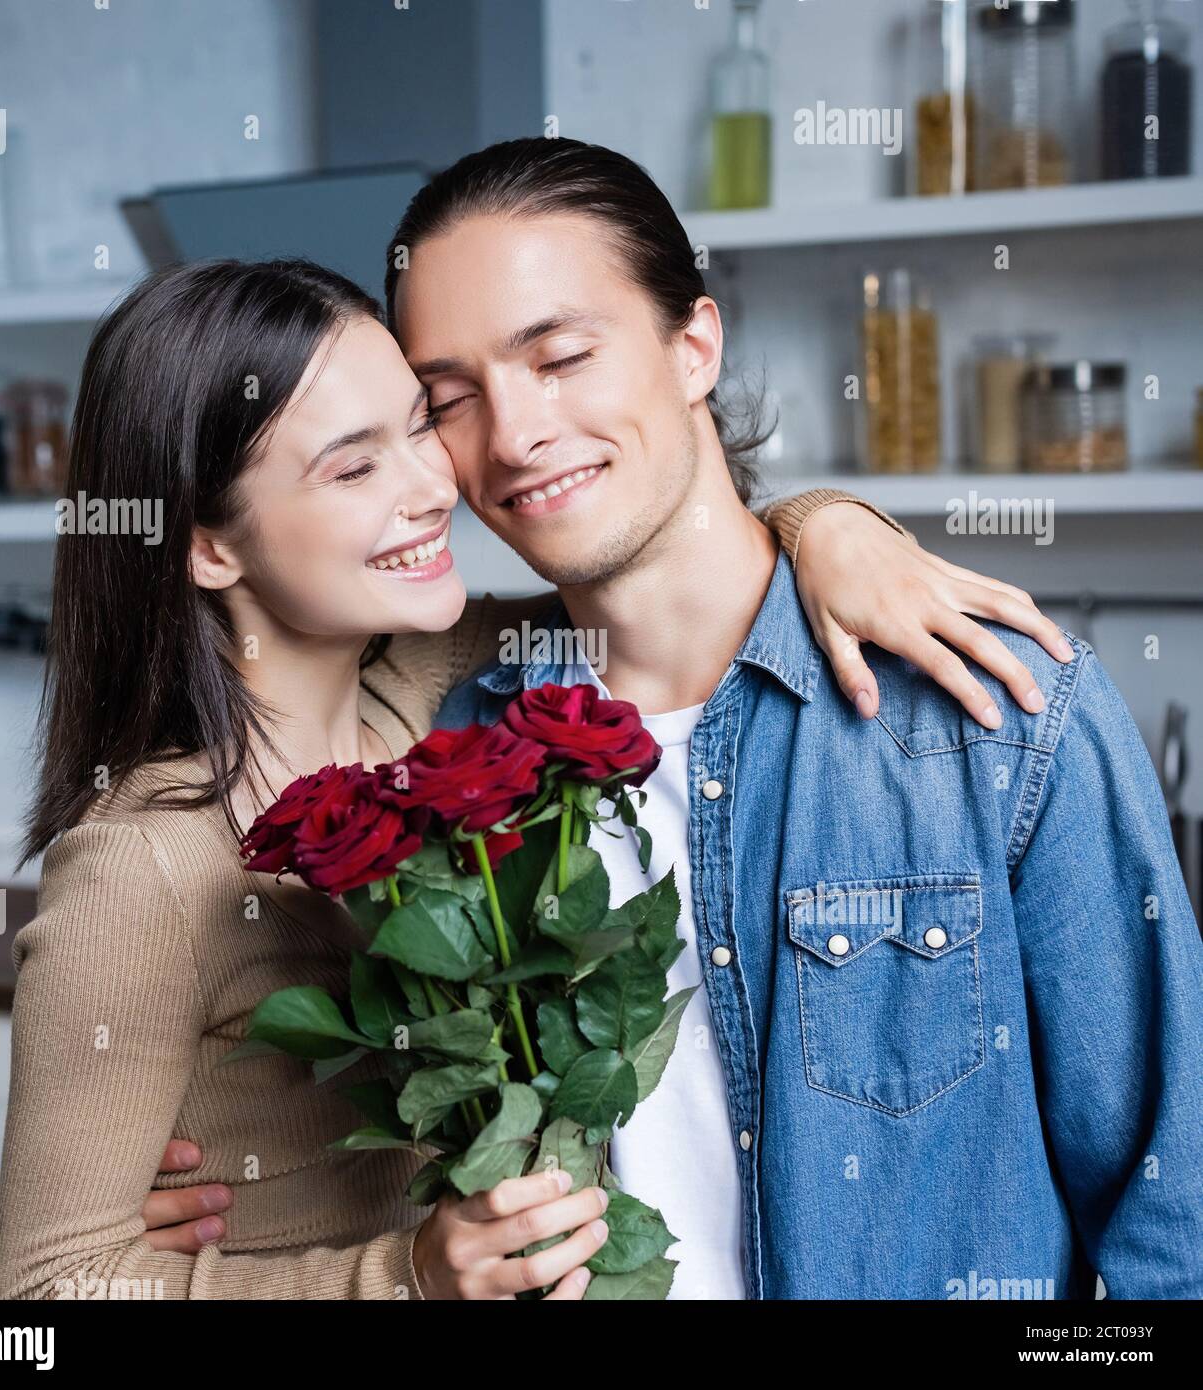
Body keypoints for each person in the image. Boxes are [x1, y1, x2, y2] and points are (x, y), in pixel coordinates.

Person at [0, 251, 1068, 1301]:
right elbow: (44, 1293)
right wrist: (402, 1277)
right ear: (210, 547)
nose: (432, 486)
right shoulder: (141, 866)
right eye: (353, 465)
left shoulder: (442, 688)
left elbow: (676, 571)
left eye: (420, 425)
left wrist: (830, 525)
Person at [388, 138, 1203, 1299]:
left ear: (693, 346)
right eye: (449, 399)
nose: (512, 434)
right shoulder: (460, 759)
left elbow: (1174, 1212)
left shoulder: (998, 710)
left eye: (561, 355)